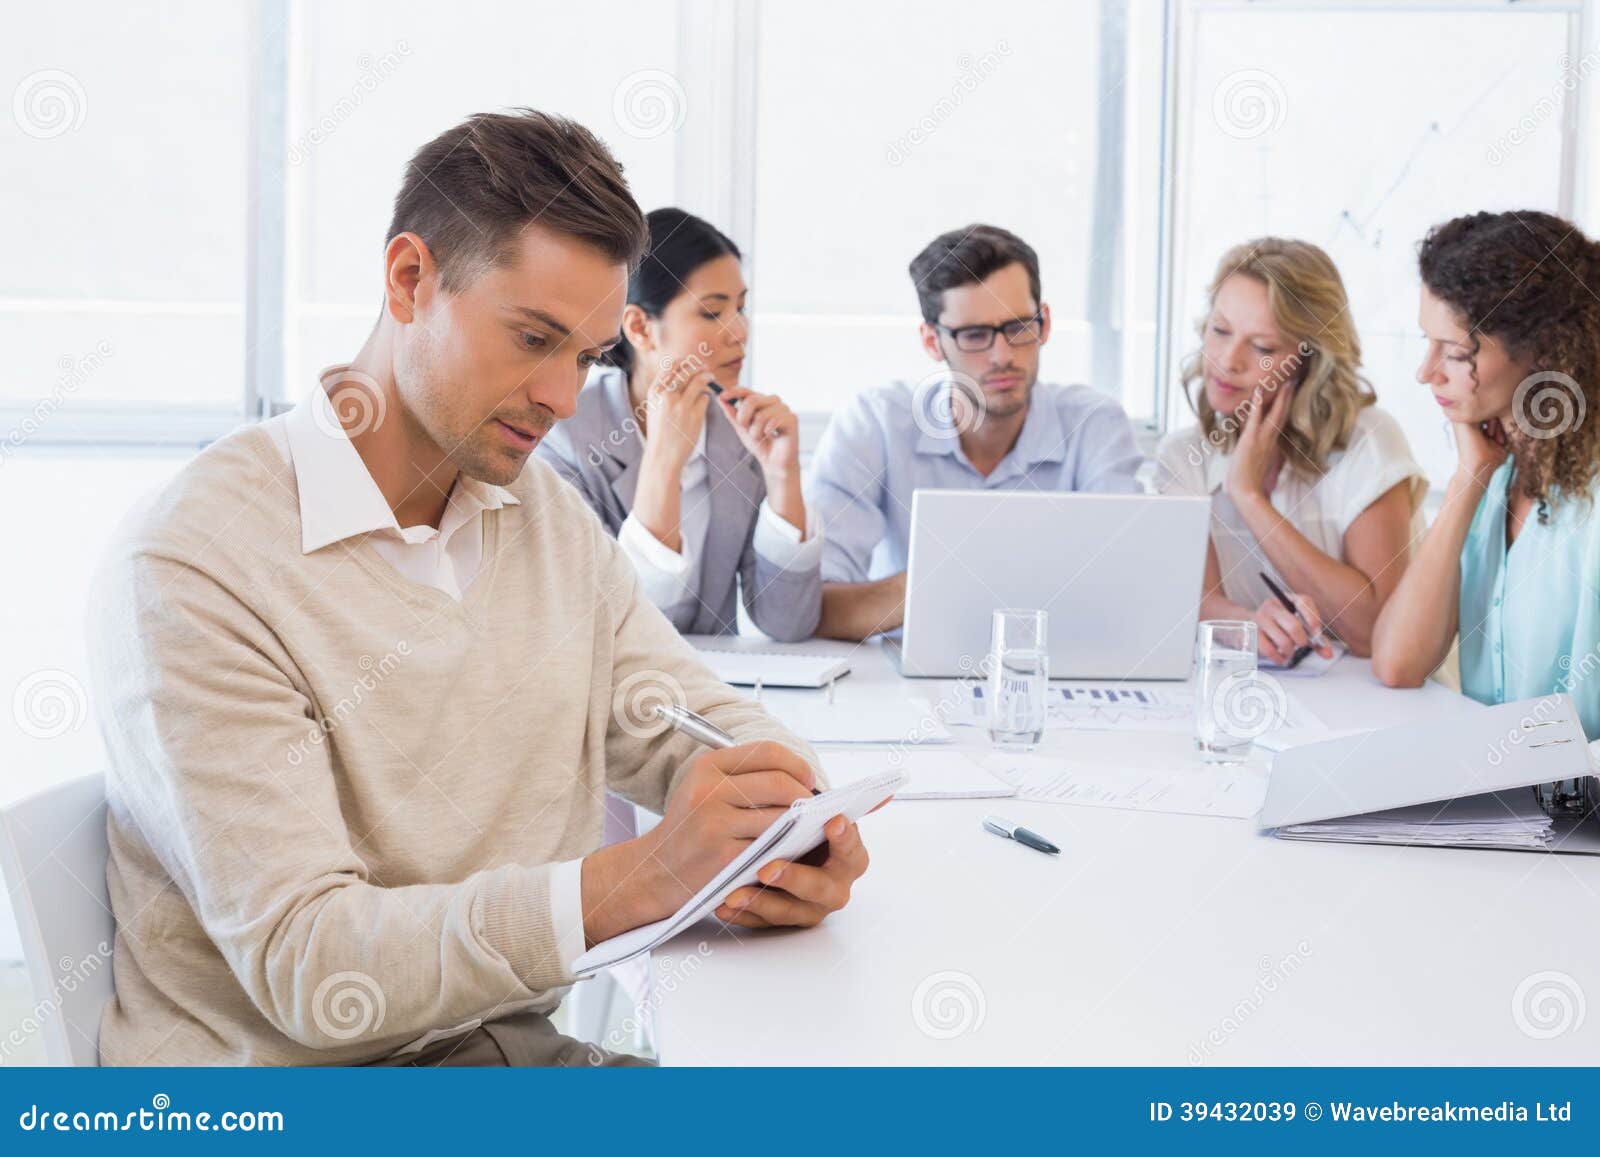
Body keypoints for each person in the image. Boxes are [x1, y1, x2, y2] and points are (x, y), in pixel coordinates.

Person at [86, 110, 873, 1067]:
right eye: (533, 337)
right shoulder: (197, 562)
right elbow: (312, 964)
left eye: (584, 358)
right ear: (410, 278)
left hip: (503, 1053)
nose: (560, 395)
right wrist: (643, 875)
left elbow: (689, 719)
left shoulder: (534, 513)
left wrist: (790, 827)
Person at [808, 223, 1144, 641]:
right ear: (932, 342)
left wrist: (974, 576)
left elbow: (1129, 593)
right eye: (974, 335)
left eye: (1020, 327)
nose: (1002, 355)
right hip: (901, 684)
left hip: (1051, 674)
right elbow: (813, 608)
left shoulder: (1095, 425)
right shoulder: (874, 423)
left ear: (1045, 323)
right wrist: (953, 576)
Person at [537, 208, 820, 641]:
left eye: (741, 309)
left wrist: (784, 478)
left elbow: (788, 623)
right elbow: (611, 630)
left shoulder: (741, 434)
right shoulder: (566, 437)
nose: (739, 331)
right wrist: (664, 464)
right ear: (639, 328)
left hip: (712, 695)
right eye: (712, 313)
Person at [1373, 210, 1600, 736]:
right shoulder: (1497, 474)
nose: (1426, 372)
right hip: (1502, 800)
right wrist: (1469, 478)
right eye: (1428, 345)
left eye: (1454, 353)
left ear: (1544, 353)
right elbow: (1397, 664)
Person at [1156, 238, 1426, 664]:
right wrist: (1247, 623)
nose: (1227, 360)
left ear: (1309, 362)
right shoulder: (1183, 456)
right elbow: (1200, 601)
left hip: (1375, 706)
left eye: (1262, 347)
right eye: (1220, 330)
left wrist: (1249, 496)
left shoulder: (1368, 442)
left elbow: (1375, 633)